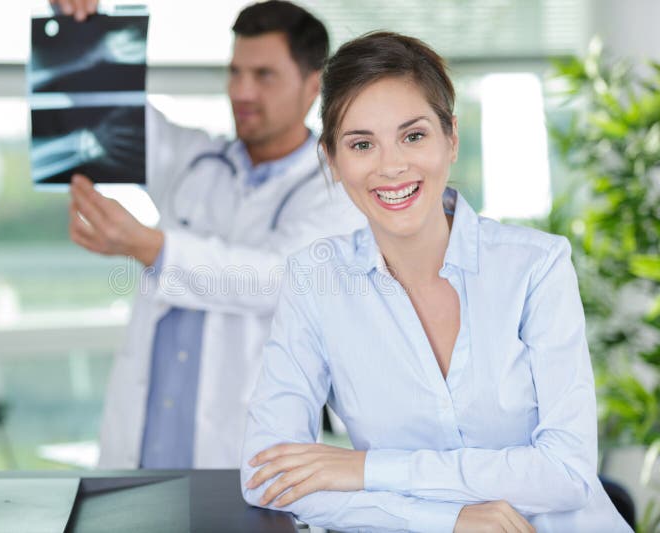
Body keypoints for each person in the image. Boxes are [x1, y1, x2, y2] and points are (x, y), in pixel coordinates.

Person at [240, 32, 632, 532]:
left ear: (451, 138)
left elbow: (566, 471)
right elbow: (266, 475)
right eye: (362, 144)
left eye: (413, 135)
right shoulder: (316, 282)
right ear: (333, 162)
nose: (391, 166)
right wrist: (447, 521)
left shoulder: (536, 266)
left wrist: (365, 469)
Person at [63, 0, 365, 469]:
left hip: (243, 462)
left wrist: (151, 246)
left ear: (312, 86)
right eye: (234, 72)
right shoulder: (194, 161)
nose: (241, 91)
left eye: (263, 75)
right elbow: (112, 107)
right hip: (140, 457)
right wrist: (79, 25)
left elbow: (276, 277)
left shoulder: (338, 189)